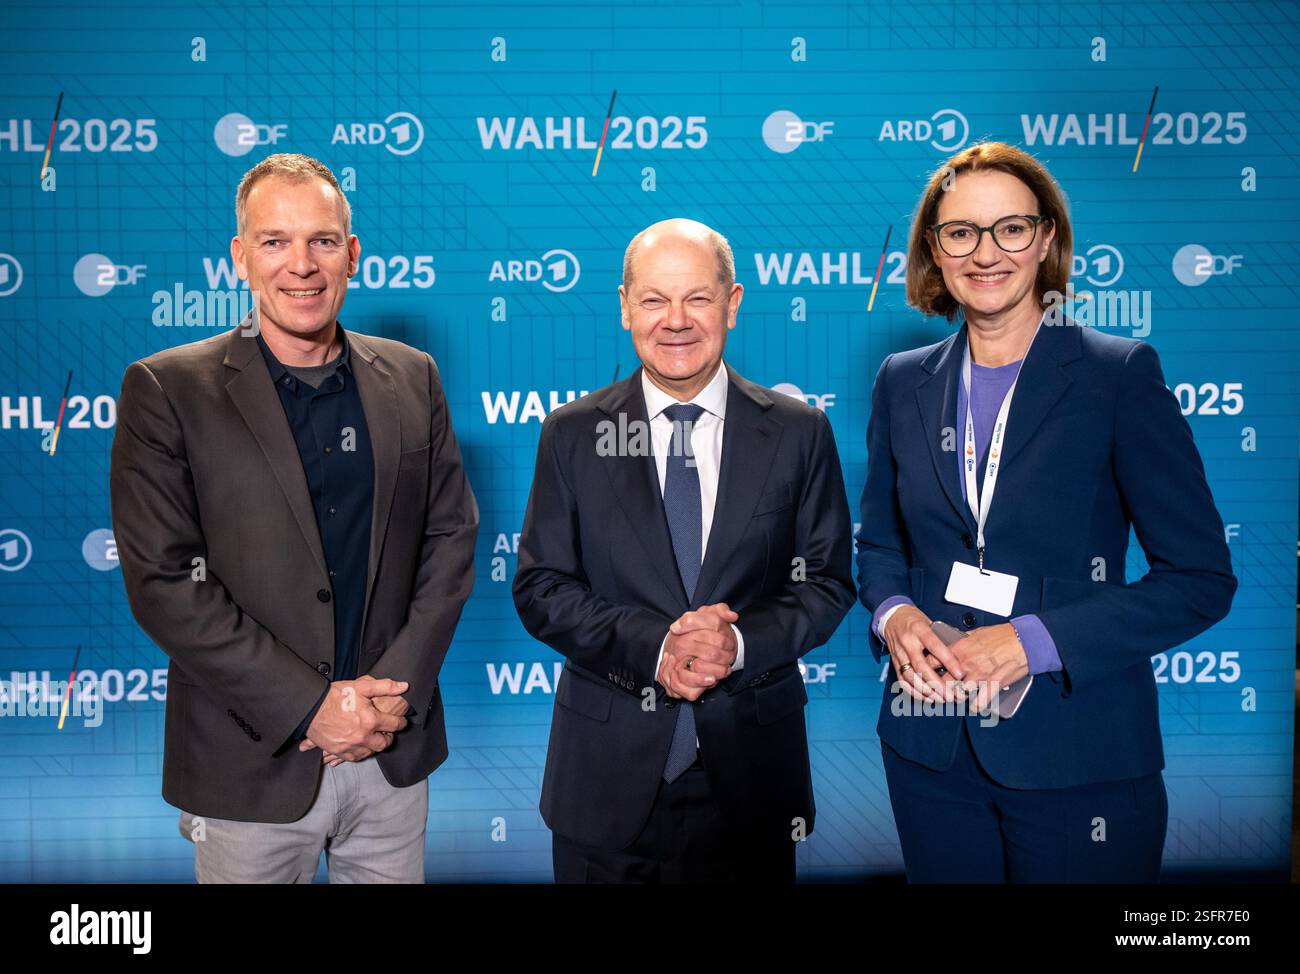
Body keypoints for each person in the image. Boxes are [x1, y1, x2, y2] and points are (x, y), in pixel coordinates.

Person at [856, 141, 1236, 882]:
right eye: (960, 231)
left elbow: (1199, 578)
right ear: (935, 250)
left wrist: (1031, 643)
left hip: (1079, 755)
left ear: (1047, 239)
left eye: (1010, 228)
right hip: (929, 751)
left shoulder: (1117, 375)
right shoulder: (901, 382)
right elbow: (879, 546)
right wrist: (895, 616)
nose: (985, 252)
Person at [110, 153, 478, 883]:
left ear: (353, 254)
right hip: (250, 761)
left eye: (322, 240)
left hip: (389, 752)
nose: (301, 266)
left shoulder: (412, 375)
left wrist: (387, 703)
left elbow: (449, 541)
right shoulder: (167, 389)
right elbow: (164, 583)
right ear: (240, 257)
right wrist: (312, 707)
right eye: (275, 242)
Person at [513, 218, 855, 883]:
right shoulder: (574, 434)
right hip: (605, 783)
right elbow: (541, 588)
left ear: (732, 303)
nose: (676, 320)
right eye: (654, 299)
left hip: (753, 779)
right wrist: (657, 646)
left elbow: (827, 584)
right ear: (623, 307)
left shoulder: (798, 432)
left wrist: (741, 645)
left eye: (697, 298)